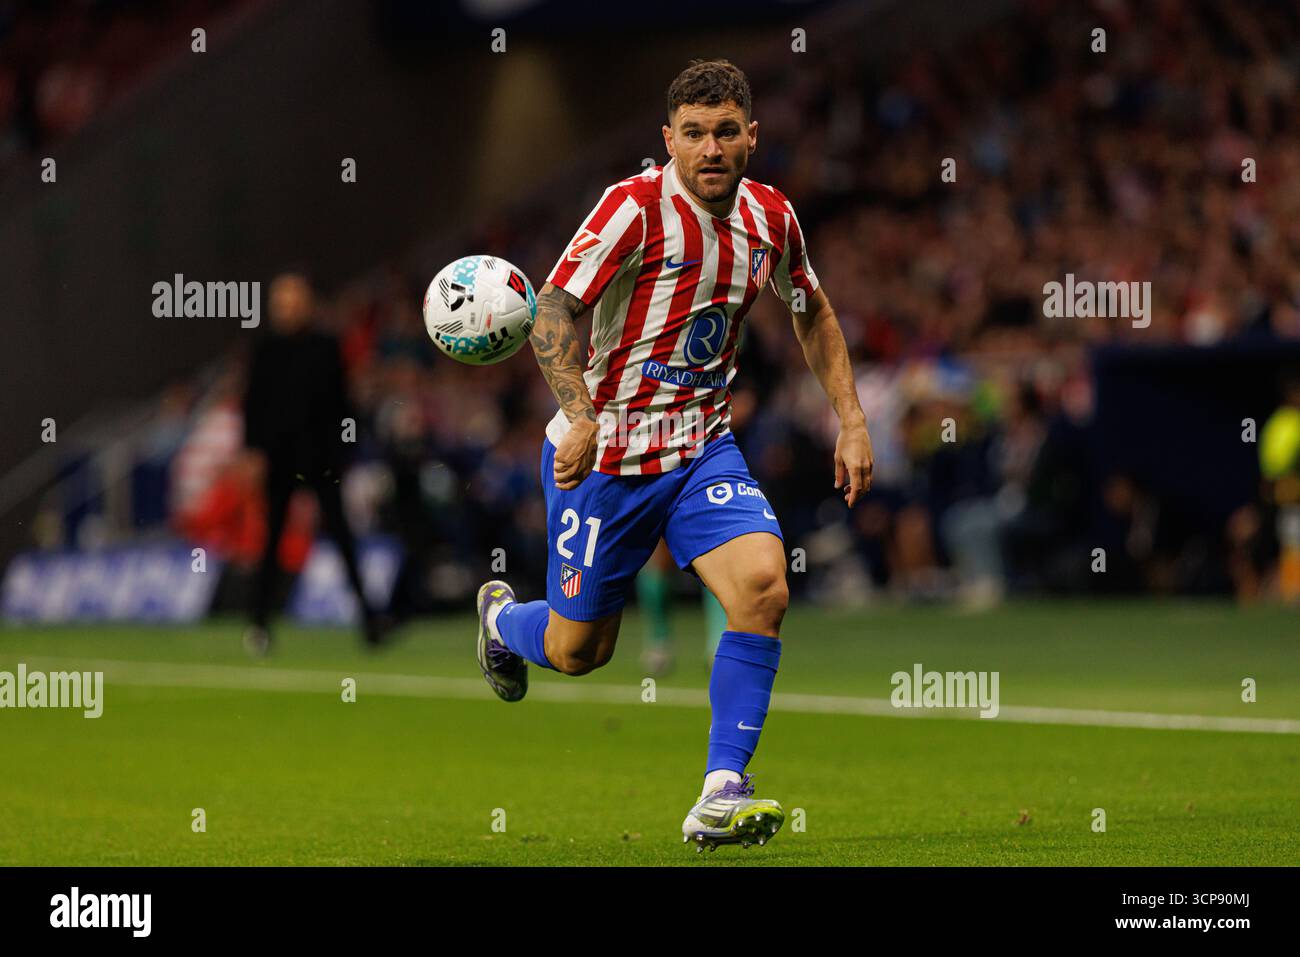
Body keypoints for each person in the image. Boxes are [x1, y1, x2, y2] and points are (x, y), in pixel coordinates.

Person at [474, 60, 873, 851]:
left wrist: (852, 418)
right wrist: (579, 412)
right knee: (577, 649)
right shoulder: (632, 209)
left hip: (701, 448)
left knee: (763, 585)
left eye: (727, 131)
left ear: (752, 136)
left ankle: (722, 788)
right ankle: (501, 622)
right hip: (607, 461)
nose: (711, 148)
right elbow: (553, 308)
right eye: (694, 134)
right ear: (670, 141)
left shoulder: (772, 218)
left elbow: (813, 307)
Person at [242, 272, 385, 654]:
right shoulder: (264, 349)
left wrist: (345, 451)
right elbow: (253, 406)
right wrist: (253, 452)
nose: (287, 309)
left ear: (307, 304)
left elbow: (342, 405)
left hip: (321, 458)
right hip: (279, 459)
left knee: (342, 538)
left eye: (294, 301)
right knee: (270, 542)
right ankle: (259, 624)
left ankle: (370, 620)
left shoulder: (325, 346)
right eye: (282, 302)